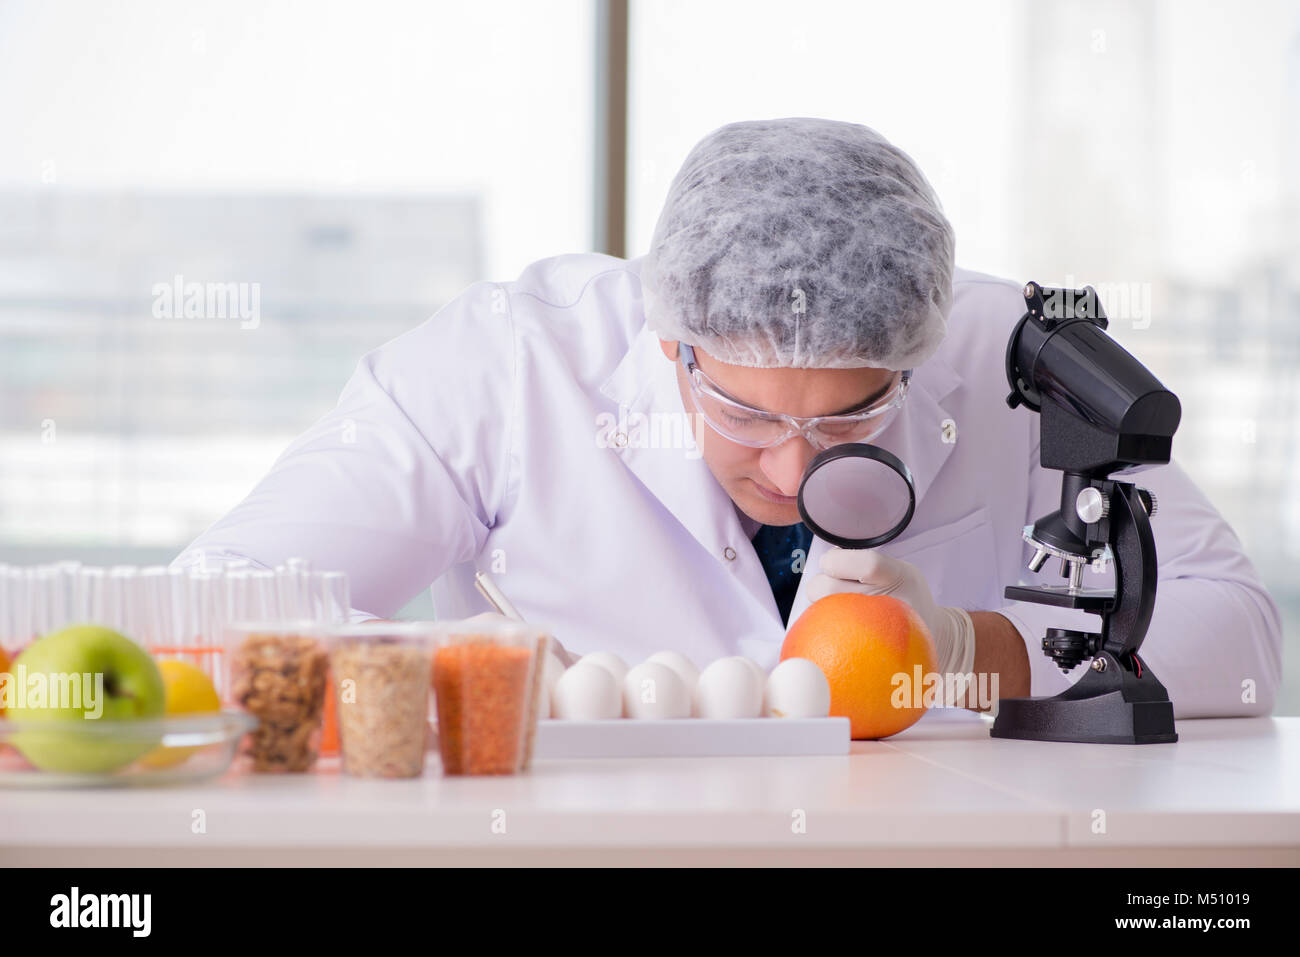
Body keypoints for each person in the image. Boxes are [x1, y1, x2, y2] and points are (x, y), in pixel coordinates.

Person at [174, 118, 1282, 717]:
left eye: (851, 421)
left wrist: (963, 651)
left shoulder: (1006, 356)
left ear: (916, 355)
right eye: (744, 414)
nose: (793, 470)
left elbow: (1239, 636)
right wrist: (468, 669)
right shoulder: (509, 365)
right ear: (671, 343)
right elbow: (218, 602)